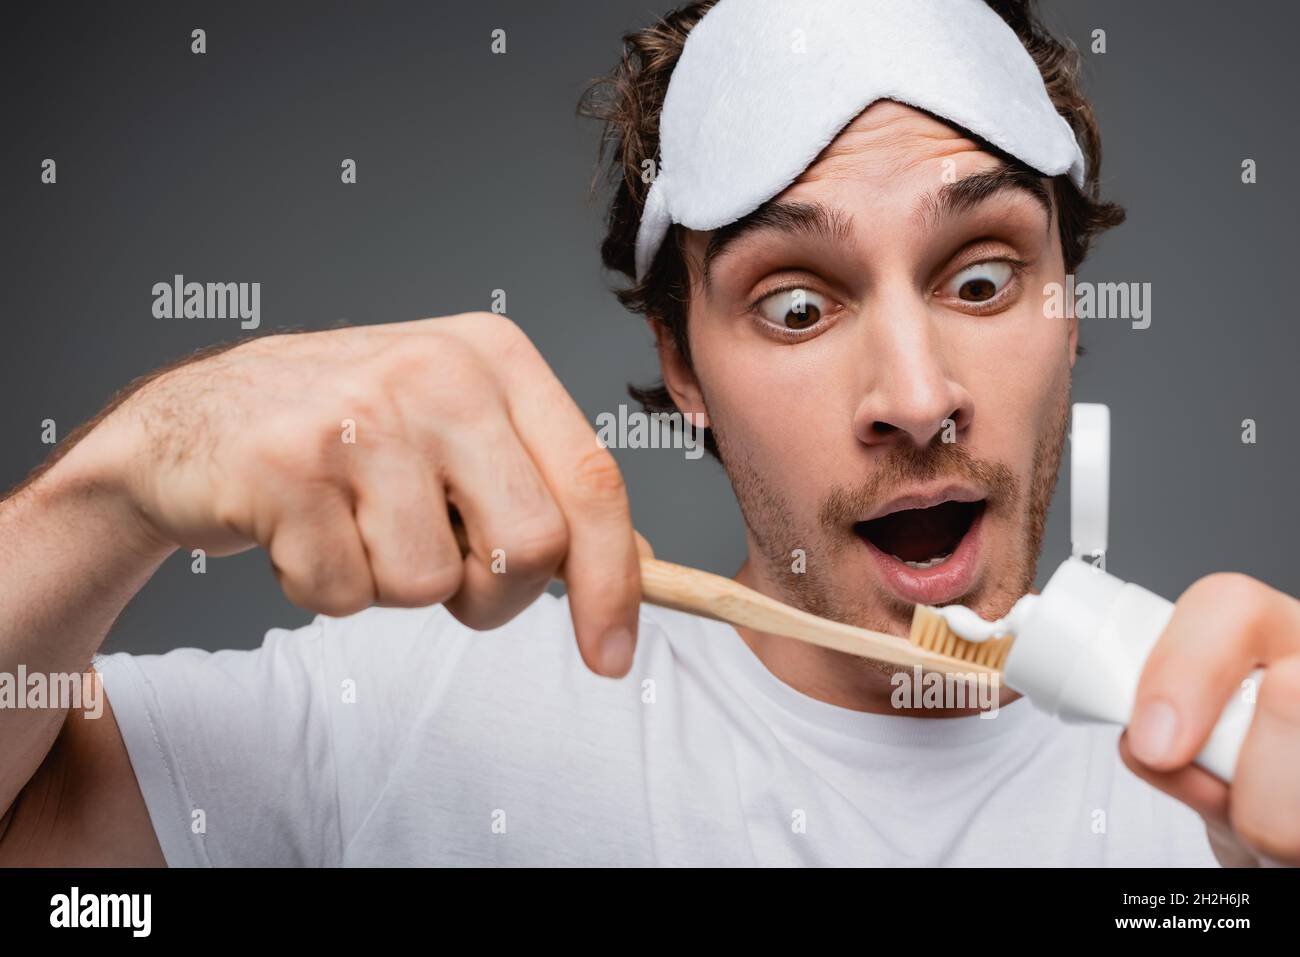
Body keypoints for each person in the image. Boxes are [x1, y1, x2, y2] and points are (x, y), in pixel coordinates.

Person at [1, 0, 1297, 867]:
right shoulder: (414, 713)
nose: (915, 392)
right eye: (798, 304)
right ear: (683, 364)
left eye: (981, 278)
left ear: (1070, 309)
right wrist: (117, 488)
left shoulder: (1232, 798)